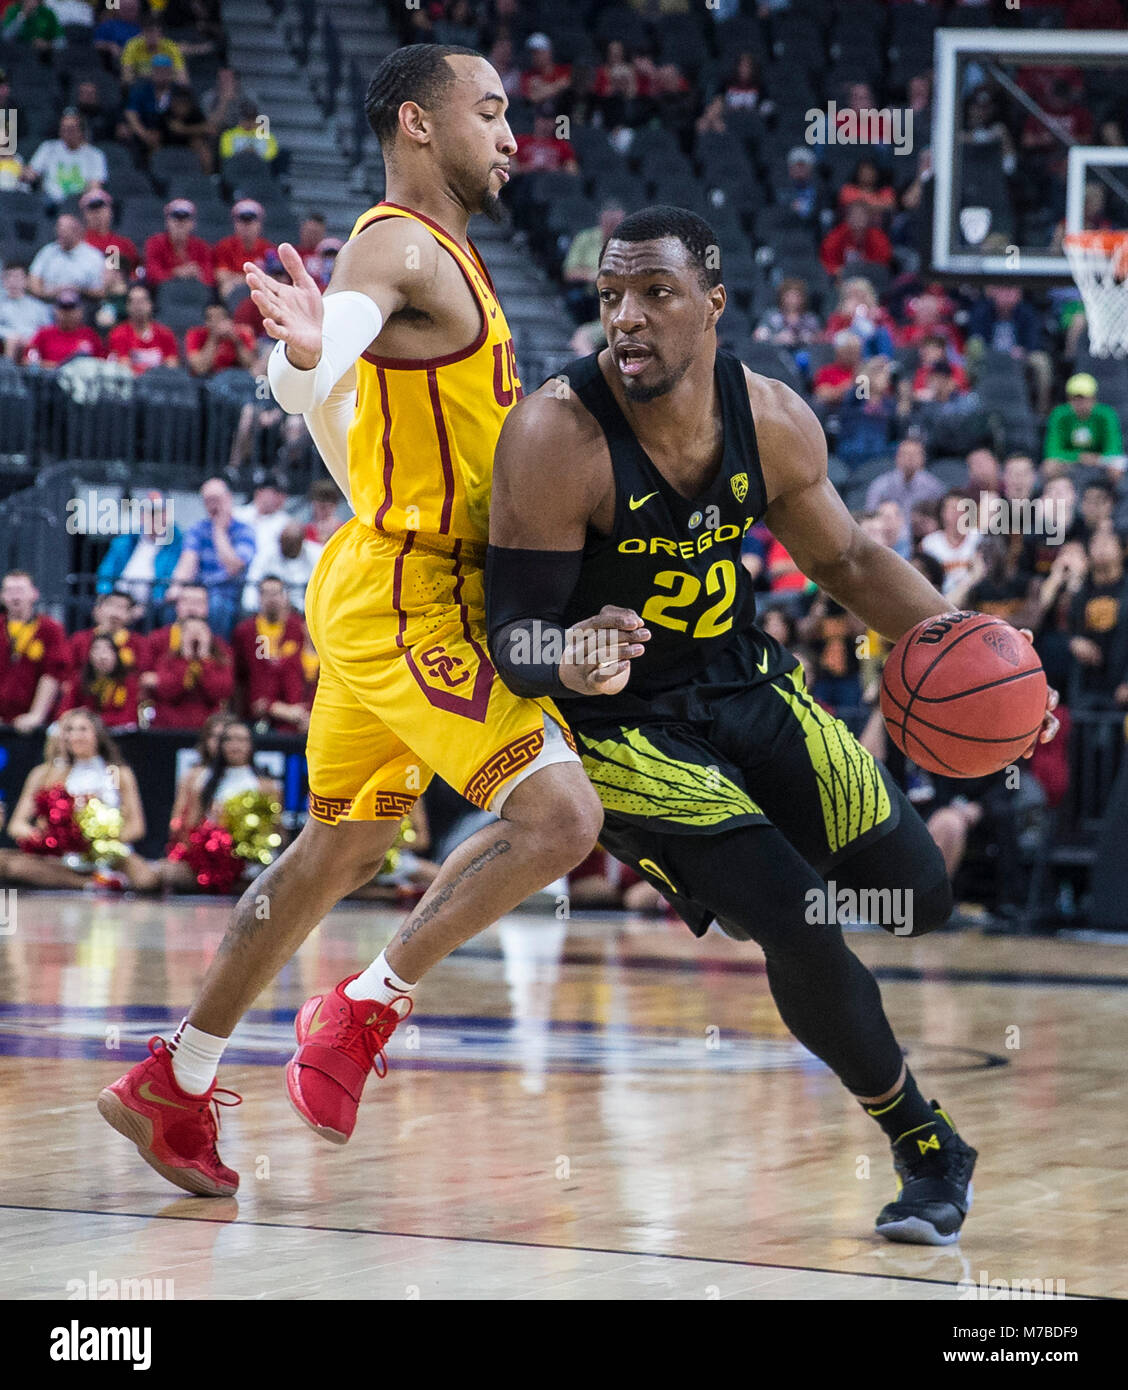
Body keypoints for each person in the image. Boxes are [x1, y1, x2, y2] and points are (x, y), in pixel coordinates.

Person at [484, 205, 1059, 1246]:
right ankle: (925, 1143)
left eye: (655, 293)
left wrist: (996, 662)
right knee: (799, 919)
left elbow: (846, 565)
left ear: (712, 303)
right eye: (611, 295)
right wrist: (565, 653)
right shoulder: (554, 437)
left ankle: (746, 879)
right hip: (628, 727)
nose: (626, 317)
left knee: (917, 897)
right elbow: (509, 639)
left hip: (750, 686)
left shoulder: (775, 417)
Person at [98, 44, 602, 1198]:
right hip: (410, 593)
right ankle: (359, 1010)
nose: (514, 134)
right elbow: (356, 311)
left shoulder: (460, 257)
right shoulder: (399, 241)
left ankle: (177, 1076)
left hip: (391, 582)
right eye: (491, 111)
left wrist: (319, 361)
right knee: (565, 819)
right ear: (419, 125)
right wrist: (318, 338)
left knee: (345, 845)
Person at [0, 709, 158, 892]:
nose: (75, 736)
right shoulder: (45, 773)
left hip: (109, 854)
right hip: (60, 857)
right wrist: (48, 840)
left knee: (147, 880)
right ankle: (88, 883)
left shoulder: (119, 773)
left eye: (82, 729)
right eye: (69, 730)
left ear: (97, 735)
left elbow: (136, 827)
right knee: (8, 864)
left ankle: (106, 877)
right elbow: (17, 825)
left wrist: (98, 843)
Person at [159, 720, 281, 890]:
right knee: (165, 872)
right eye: (229, 739)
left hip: (251, 864)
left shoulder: (266, 785)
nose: (235, 745)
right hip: (209, 862)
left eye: (241, 740)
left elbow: (276, 829)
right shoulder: (204, 781)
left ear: (251, 745)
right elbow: (190, 825)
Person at [165, 477, 257, 638]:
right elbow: (187, 562)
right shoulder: (198, 529)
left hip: (228, 592)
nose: (212, 505)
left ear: (228, 499)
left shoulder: (244, 531)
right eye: (207, 501)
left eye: (216, 499)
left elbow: (233, 566)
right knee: (168, 607)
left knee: (217, 606)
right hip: (198, 590)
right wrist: (176, 587)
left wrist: (219, 531)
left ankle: (218, 653)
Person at [230, 574, 309, 731]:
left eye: (276, 593)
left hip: (295, 713)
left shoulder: (299, 628)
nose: (271, 599)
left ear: (285, 596)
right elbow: (238, 676)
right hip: (256, 713)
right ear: (259, 597)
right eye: (266, 593)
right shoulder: (245, 631)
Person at [0, 570, 69, 729]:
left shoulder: (50, 628)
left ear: (34, 594)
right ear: (2, 596)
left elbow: (53, 673)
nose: (15, 597)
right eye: (9, 591)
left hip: (36, 721)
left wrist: (36, 715)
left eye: (20, 590)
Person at [141, 611, 234, 729]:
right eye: (188, 631)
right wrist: (186, 659)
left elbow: (219, 692)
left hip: (207, 728)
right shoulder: (167, 660)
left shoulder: (221, 661)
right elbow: (167, 691)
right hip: (169, 727)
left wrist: (204, 659)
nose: (194, 635)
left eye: (200, 631)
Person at [96, 491, 182, 610]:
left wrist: (146, 606)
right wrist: (104, 595)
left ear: (167, 515)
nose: (155, 518)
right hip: (119, 601)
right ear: (142, 516)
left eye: (159, 512)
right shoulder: (124, 542)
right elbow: (106, 572)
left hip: (155, 606)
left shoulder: (178, 543)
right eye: (150, 513)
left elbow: (171, 579)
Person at [21, 111, 108, 208]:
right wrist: (23, 173)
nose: (66, 132)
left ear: (81, 131)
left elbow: (95, 187)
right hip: (49, 203)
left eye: (70, 129)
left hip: (78, 204)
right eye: (63, 128)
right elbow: (31, 173)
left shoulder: (95, 155)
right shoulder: (48, 147)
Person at [1043, 373, 1125, 475]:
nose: (1080, 403)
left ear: (1094, 398)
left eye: (1084, 398)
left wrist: (1096, 459)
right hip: (1069, 463)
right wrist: (1079, 457)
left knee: (1116, 468)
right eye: (1075, 399)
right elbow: (1052, 451)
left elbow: (1114, 450)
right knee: (1049, 466)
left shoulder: (1106, 414)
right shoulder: (1059, 414)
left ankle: (1108, 491)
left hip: (1099, 462)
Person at [57, 631, 142, 729]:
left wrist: (92, 719)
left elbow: (129, 718)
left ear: (117, 655)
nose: (102, 657)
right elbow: (63, 713)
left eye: (108, 650)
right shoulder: (80, 680)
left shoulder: (128, 682)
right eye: (97, 650)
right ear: (89, 655)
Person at [68, 588, 148, 674]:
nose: (115, 613)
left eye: (122, 607)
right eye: (111, 605)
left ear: (130, 615)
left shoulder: (139, 643)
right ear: (97, 610)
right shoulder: (79, 639)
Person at [28, 215, 107, 301]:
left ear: (77, 232)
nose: (60, 233)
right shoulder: (47, 251)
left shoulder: (94, 256)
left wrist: (78, 290)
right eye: (59, 229)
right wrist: (51, 293)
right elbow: (33, 282)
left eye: (65, 231)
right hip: (48, 304)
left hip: (83, 306)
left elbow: (102, 291)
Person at [107, 282, 179, 373]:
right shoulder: (118, 334)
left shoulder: (165, 333)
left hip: (159, 384)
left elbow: (172, 367)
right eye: (133, 301)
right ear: (127, 307)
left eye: (142, 301)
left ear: (151, 304)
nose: (138, 306)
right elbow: (124, 369)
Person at [865, 435, 945, 516]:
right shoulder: (880, 485)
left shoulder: (934, 487)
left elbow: (939, 518)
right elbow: (871, 516)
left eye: (915, 454)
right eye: (905, 454)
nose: (910, 458)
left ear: (923, 459)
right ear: (897, 458)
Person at [212, 199, 276, 299]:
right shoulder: (225, 245)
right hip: (235, 290)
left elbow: (277, 277)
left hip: (260, 290)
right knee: (226, 287)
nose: (247, 227)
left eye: (251, 222)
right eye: (242, 221)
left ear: (259, 224)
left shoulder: (268, 248)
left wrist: (242, 279)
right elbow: (221, 275)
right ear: (235, 224)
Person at [144, 199, 214, 288]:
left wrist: (198, 274)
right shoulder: (154, 243)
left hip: (194, 290)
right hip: (162, 291)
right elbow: (152, 274)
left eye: (185, 220)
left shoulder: (202, 246)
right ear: (167, 222)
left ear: (193, 224)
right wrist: (176, 273)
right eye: (175, 220)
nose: (180, 224)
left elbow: (209, 278)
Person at [23, 288, 104, 366]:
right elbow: (27, 361)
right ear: (56, 310)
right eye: (63, 308)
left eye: (71, 308)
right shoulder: (44, 333)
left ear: (80, 311)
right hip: (52, 377)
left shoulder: (89, 334)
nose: (67, 313)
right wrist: (57, 366)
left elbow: (103, 361)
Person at [184, 299, 256, 375]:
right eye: (211, 318)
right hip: (207, 379)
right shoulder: (195, 334)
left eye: (220, 317)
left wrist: (237, 341)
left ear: (229, 319)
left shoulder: (242, 332)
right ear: (206, 322)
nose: (216, 322)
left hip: (236, 377)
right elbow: (200, 369)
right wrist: (213, 339)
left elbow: (250, 365)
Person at [80, 190, 140, 279]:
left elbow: (136, 270)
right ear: (84, 214)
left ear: (110, 211)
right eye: (92, 209)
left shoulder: (124, 243)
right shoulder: (80, 242)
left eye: (101, 207)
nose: (97, 213)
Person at [0, 261, 51, 361]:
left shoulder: (38, 307)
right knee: (12, 341)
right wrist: (11, 335)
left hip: (33, 344)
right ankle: (7, 372)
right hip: (6, 343)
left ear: (26, 281)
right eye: (9, 277)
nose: (13, 281)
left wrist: (29, 339)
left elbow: (47, 330)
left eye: (17, 277)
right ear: (3, 280)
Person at [218, 98, 278, 163]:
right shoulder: (229, 135)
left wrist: (255, 154)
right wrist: (243, 154)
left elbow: (272, 154)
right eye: (246, 119)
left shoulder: (266, 135)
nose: (249, 122)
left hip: (259, 167)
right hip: (236, 166)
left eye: (252, 119)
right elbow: (226, 154)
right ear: (240, 120)